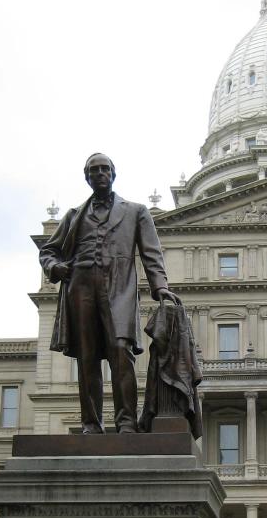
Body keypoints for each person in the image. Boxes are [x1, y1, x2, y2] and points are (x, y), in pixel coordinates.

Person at [39, 153, 180, 434]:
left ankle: (126, 422)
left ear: (113, 174)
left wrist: (160, 287)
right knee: (87, 356)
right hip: (80, 288)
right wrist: (56, 267)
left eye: (105, 169)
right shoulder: (74, 215)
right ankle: (91, 423)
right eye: (94, 170)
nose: (100, 173)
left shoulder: (136, 211)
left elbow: (152, 253)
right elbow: (48, 251)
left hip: (119, 289)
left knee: (120, 351)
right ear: (87, 177)